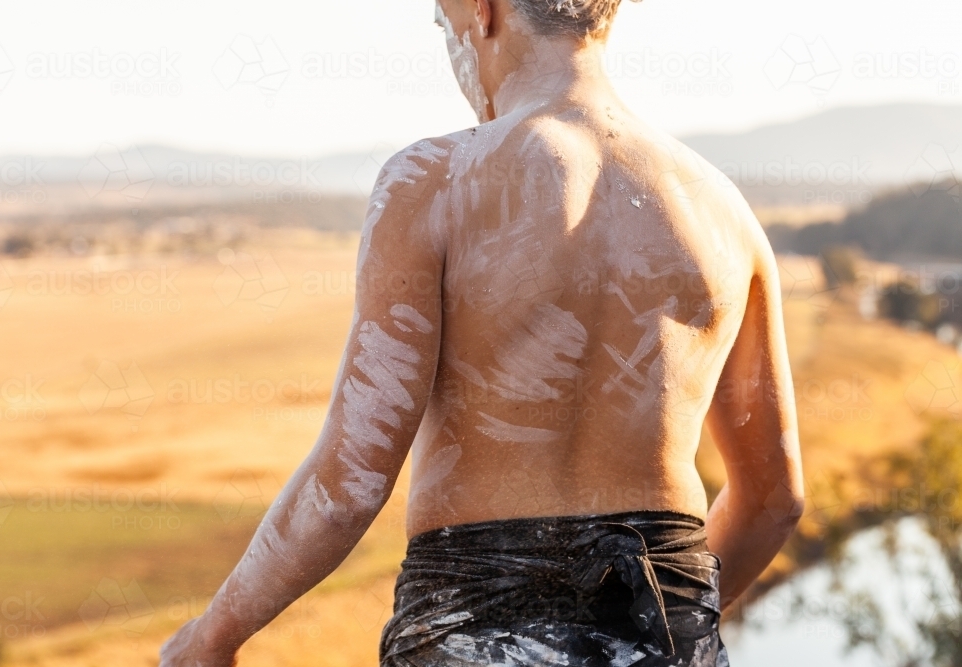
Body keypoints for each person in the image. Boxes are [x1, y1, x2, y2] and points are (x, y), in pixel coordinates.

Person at [160, 0, 805, 664]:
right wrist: (655, 621)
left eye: (444, 21)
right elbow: (774, 499)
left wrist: (213, 634)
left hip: (473, 629)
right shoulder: (724, 212)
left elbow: (347, 486)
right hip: (668, 632)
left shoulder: (434, 183)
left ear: (484, 12)